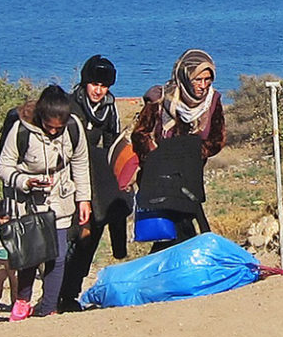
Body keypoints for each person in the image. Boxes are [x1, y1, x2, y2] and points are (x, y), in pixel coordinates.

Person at [0, 84, 92, 321]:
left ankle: (49, 308)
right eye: (50, 127)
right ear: (41, 117)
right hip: (29, 203)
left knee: (57, 256)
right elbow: (3, 166)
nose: (54, 131)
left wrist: (84, 199)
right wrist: (26, 182)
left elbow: (80, 163)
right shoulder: (21, 130)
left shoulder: (73, 127)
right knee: (32, 255)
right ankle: (22, 301)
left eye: (58, 128)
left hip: (60, 200)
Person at [131, 49, 225, 248]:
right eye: (198, 79)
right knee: (171, 233)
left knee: (183, 232)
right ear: (184, 76)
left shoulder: (212, 102)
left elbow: (216, 139)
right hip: (160, 180)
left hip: (189, 180)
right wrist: (158, 157)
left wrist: (192, 154)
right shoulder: (160, 98)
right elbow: (140, 134)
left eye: (207, 80)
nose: (203, 86)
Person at [59, 55, 125, 312]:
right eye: (95, 84)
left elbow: (112, 145)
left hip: (96, 184)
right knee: (66, 239)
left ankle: (70, 294)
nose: (99, 90)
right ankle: (53, 293)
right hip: (67, 182)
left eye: (104, 85)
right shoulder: (69, 105)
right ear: (85, 82)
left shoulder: (109, 108)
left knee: (89, 240)